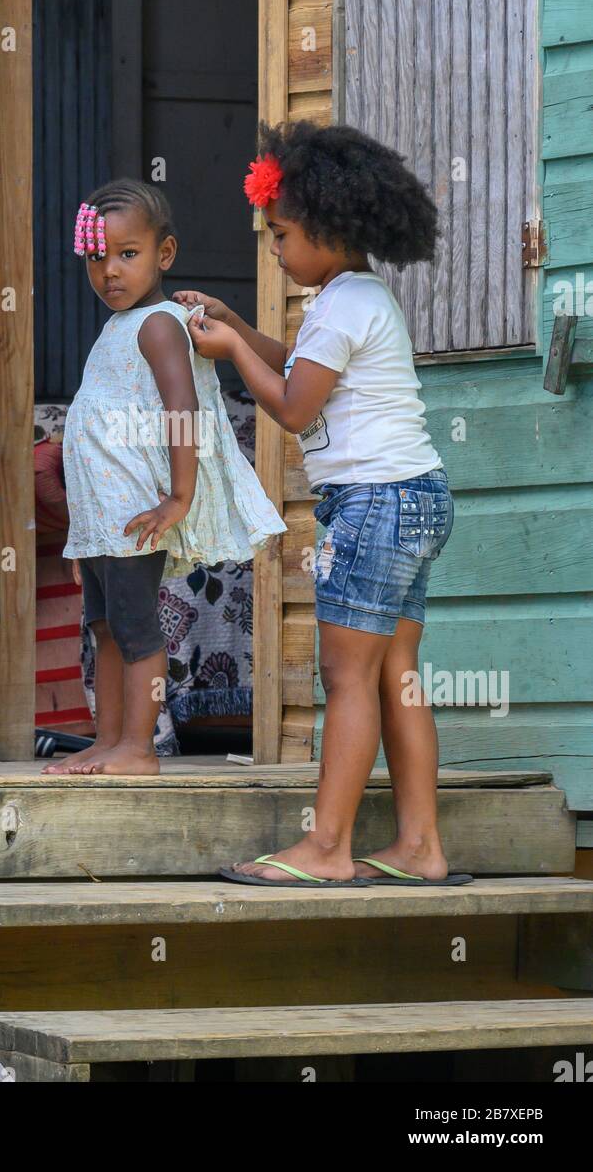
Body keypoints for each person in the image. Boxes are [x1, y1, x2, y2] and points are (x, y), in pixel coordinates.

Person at [177, 120, 472, 887]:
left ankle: (328, 847)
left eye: (280, 234)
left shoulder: (340, 306)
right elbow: (304, 368)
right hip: (417, 500)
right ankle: (419, 846)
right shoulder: (362, 298)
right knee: (395, 672)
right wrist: (240, 326)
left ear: (327, 229)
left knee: (346, 679)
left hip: (373, 506)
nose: (273, 248)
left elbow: (295, 406)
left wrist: (233, 352)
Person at [43, 179, 285, 776]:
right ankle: (109, 740)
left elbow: (183, 407)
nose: (110, 272)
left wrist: (180, 496)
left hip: (135, 516)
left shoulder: (158, 324)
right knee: (104, 628)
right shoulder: (116, 329)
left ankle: (139, 748)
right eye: (98, 258)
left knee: (138, 632)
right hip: (106, 521)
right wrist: (85, 531)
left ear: (164, 255)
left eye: (128, 254)